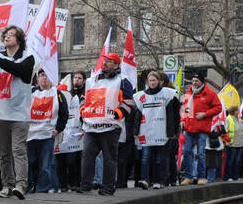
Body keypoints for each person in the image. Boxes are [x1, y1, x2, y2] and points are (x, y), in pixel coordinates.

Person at [0, 25, 36, 198]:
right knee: (3, 153)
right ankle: (7, 185)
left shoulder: (28, 57)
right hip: (1, 111)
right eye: (6, 35)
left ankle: (21, 184)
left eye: (11, 35)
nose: (7, 37)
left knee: (18, 150)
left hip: (19, 112)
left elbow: (21, 72)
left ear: (19, 39)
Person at [77, 51, 133, 195]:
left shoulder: (122, 81)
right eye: (104, 60)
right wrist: (83, 112)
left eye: (109, 61)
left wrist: (117, 114)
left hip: (110, 127)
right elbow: (84, 99)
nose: (105, 63)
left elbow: (128, 103)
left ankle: (108, 187)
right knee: (87, 156)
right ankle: (85, 185)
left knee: (109, 159)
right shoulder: (91, 80)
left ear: (116, 65)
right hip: (91, 126)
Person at [24, 69, 66, 194]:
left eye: (47, 75)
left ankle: (42, 190)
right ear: (37, 79)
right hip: (30, 135)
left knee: (45, 166)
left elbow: (64, 114)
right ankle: (27, 186)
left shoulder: (57, 94)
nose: (44, 78)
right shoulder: (31, 92)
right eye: (42, 75)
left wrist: (58, 129)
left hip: (47, 135)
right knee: (27, 163)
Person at [134, 69, 177, 189]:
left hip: (161, 132)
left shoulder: (167, 95)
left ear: (159, 81)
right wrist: (135, 131)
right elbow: (138, 115)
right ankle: (145, 180)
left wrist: (171, 131)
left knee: (159, 158)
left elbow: (170, 115)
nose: (152, 83)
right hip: (146, 131)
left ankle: (159, 181)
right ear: (147, 82)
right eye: (150, 80)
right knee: (145, 157)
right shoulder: (141, 96)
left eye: (154, 80)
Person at [179, 72, 220, 184]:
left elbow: (218, 108)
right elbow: (184, 110)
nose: (194, 83)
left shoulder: (210, 93)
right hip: (189, 128)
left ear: (202, 82)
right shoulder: (188, 93)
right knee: (187, 151)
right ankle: (189, 177)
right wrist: (182, 120)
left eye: (196, 81)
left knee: (201, 153)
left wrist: (205, 114)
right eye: (192, 81)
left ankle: (201, 177)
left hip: (202, 129)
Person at [55, 71, 85, 191]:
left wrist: (84, 128)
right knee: (60, 161)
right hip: (63, 132)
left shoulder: (84, 95)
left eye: (79, 78)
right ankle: (63, 185)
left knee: (73, 160)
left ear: (84, 80)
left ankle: (75, 183)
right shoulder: (68, 95)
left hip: (76, 133)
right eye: (75, 78)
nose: (76, 80)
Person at [225, 105, 243, 180]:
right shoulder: (228, 119)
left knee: (237, 161)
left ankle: (235, 176)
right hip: (231, 144)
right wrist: (228, 141)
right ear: (234, 111)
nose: (239, 111)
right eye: (237, 110)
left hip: (239, 143)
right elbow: (225, 131)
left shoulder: (239, 119)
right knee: (230, 161)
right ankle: (228, 176)